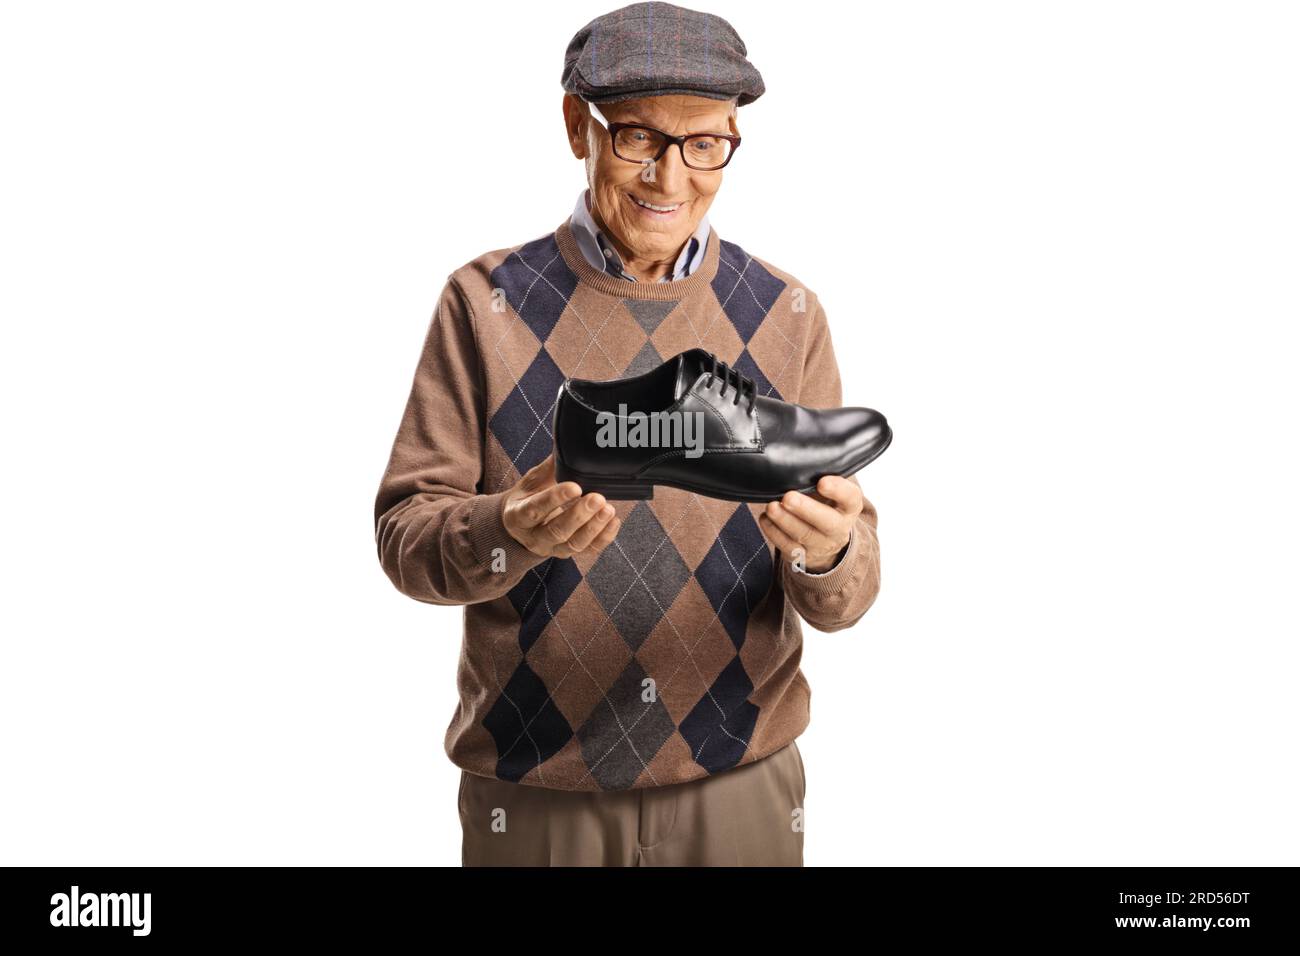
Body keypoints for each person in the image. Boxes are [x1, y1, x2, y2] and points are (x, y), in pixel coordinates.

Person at [374, 1, 882, 866]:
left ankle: (654, 410)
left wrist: (827, 555)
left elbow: (848, 598)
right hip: (535, 793)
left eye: (704, 144)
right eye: (638, 138)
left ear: (730, 141)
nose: (670, 179)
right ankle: (620, 416)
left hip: (741, 789)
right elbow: (405, 543)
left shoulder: (787, 314)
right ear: (579, 125)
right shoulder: (481, 302)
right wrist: (507, 527)